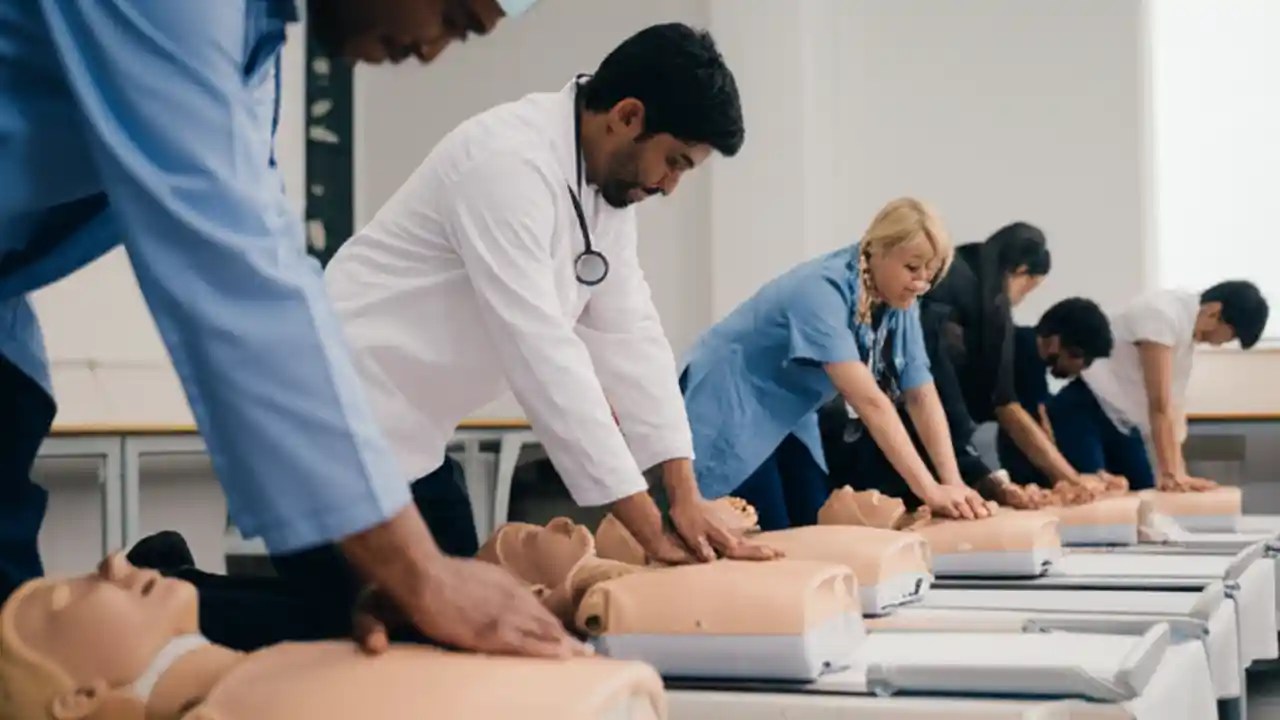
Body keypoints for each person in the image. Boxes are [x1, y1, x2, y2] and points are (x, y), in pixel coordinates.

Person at [0, 0, 583, 661]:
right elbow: (232, 278)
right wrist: (418, 572)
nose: (432, 50)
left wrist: (403, 568)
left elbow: (270, 270)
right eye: (453, 17)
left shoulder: (254, 49)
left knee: (19, 654)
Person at [324, 23, 777, 572]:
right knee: (360, 632)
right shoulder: (505, 165)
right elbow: (543, 356)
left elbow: (630, 335)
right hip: (329, 423)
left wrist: (684, 494)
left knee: (460, 612)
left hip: (408, 444)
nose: (669, 186)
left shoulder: (604, 191)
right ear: (628, 116)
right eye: (675, 161)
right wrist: (649, 530)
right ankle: (189, 593)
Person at [680, 198, 991, 532]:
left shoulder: (899, 300)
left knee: (808, 520)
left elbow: (921, 394)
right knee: (762, 528)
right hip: (732, 402)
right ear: (876, 249)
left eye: (931, 272)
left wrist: (953, 483)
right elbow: (869, 401)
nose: (921, 282)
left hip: (789, 414)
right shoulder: (820, 290)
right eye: (912, 268)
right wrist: (928, 491)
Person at [1049, 282, 1269, 492]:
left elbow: (1172, 409)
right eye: (1229, 336)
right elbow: (1159, 404)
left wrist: (1180, 474)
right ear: (1214, 312)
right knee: (1092, 496)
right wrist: (1171, 473)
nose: (1220, 344)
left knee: (1146, 495)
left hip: (1121, 422)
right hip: (1085, 408)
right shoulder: (1161, 315)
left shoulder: (1186, 334)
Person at [995, 297, 1114, 489]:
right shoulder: (1024, 351)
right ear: (1056, 342)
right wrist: (1072, 480)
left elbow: (1041, 423)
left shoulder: (1025, 349)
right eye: (1086, 360)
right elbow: (1025, 428)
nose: (1082, 370)